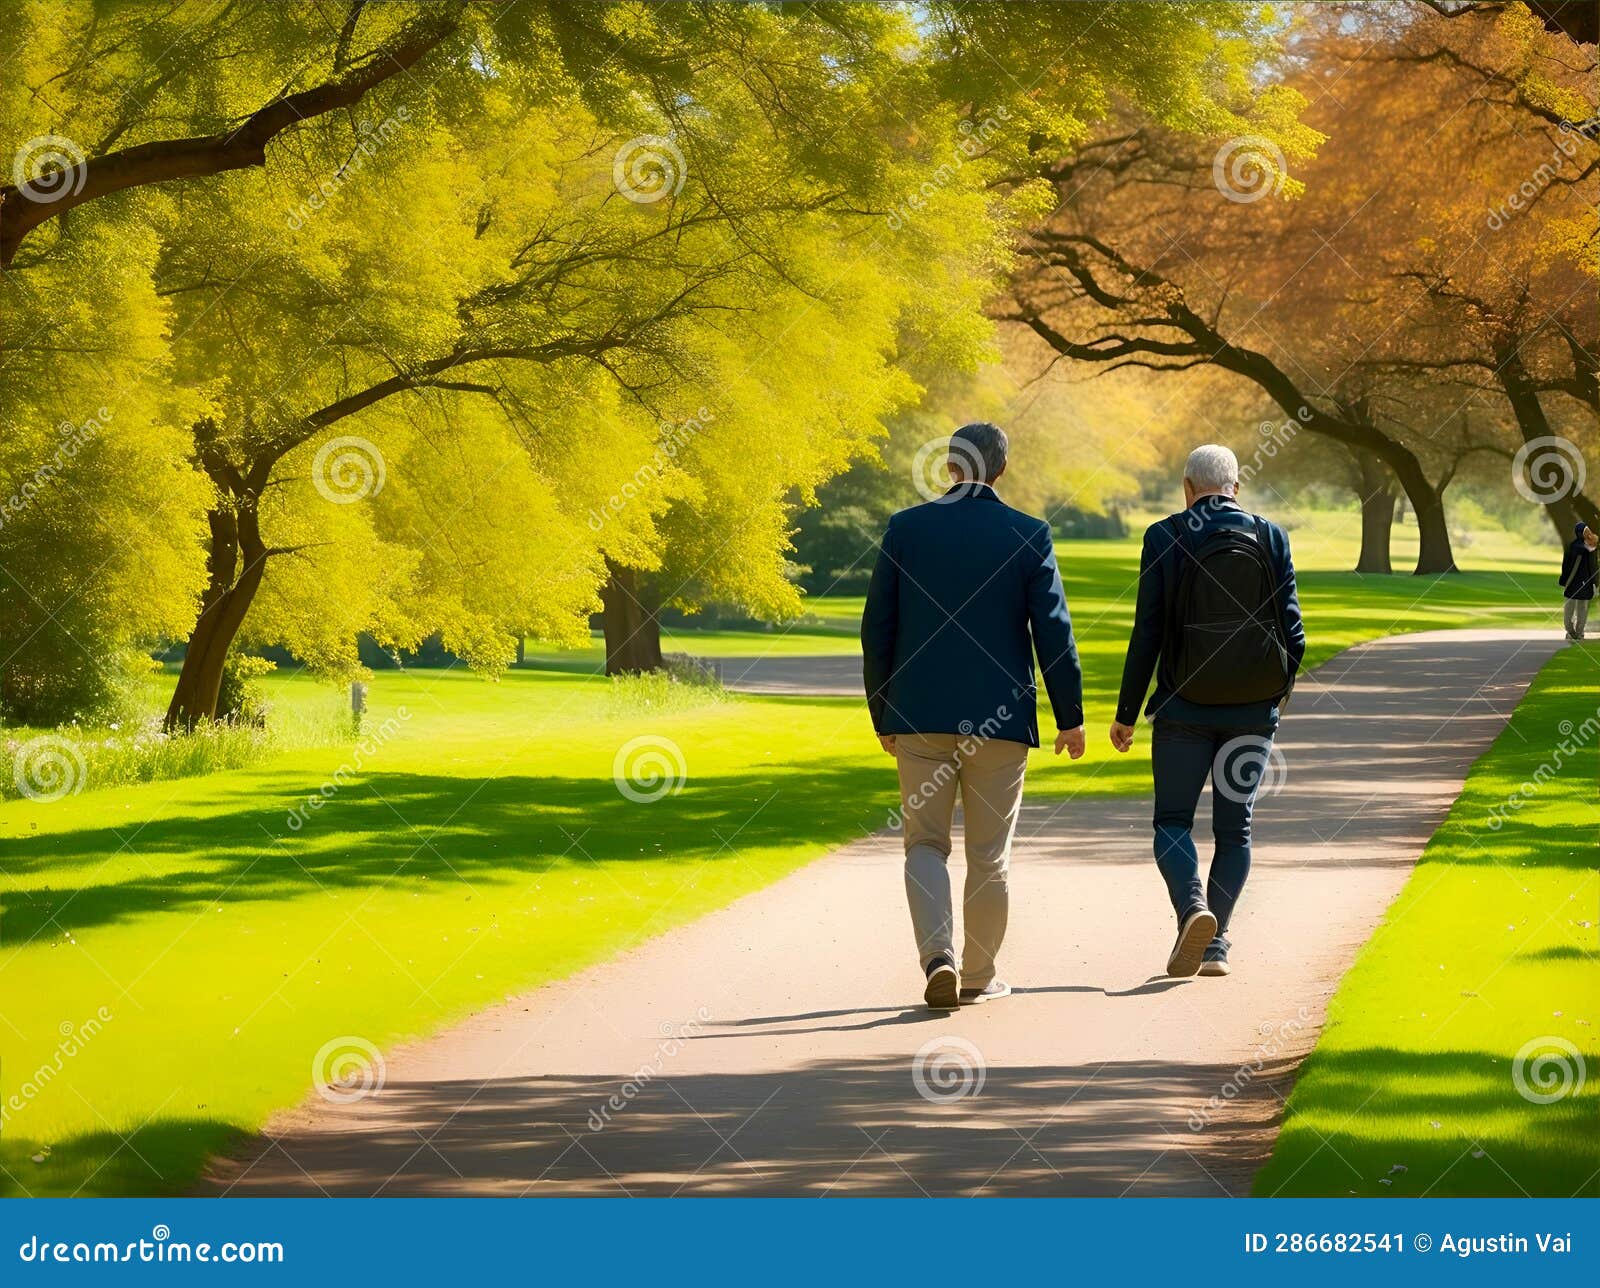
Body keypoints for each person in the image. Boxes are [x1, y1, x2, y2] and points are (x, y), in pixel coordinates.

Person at [861, 422, 1086, 1010]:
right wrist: (1070, 717)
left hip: (919, 716)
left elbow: (876, 629)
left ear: (949, 466)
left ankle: (938, 957)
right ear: (1002, 470)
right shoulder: (1028, 534)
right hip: (1000, 722)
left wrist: (882, 710)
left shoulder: (906, 529)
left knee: (924, 845)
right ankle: (979, 976)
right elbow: (1054, 633)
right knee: (990, 855)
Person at [1108, 444, 1305, 979]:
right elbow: (1294, 631)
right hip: (1251, 711)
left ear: (1187, 486)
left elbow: (1147, 631)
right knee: (1234, 828)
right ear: (1235, 486)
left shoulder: (1164, 536)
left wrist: (1126, 712)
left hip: (1181, 708)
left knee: (1172, 821)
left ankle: (1193, 908)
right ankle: (1216, 946)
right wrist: (1274, 692)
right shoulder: (1270, 536)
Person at [1559, 522, 1597, 640]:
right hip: (1585, 584)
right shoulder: (1590, 548)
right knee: (1582, 609)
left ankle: (1571, 632)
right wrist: (1595, 583)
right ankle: (1578, 633)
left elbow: (1565, 567)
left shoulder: (1571, 546)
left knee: (1569, 609)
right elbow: (1594, 567)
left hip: (1572, 584)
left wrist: (1563, 581)